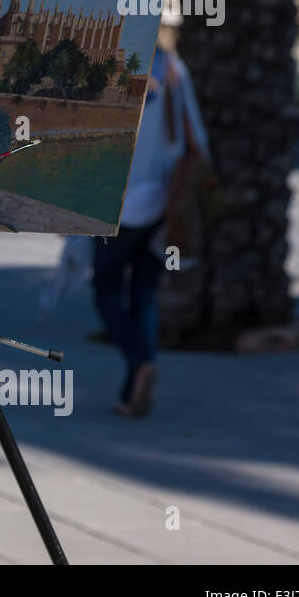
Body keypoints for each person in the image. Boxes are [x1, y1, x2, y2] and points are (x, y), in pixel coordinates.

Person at [92, 44, 209, 418]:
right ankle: (134, 392)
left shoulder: (118, 63)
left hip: (121, 204)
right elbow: (197, 140)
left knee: (106, 293)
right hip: (164, 201)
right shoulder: (174, 66)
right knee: (144, 294)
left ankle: (140, 361)